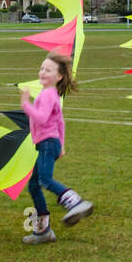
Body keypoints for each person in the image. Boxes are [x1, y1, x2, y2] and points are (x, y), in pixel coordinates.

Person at [20, 52, 93, 245]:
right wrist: (61, 145)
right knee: (34, 185)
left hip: (46, 143)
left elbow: (42, 118)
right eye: (42, 68)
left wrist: (26, 104)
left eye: (48, 70)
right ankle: (43, 231)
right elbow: (60, 122)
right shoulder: (53, 95)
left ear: (58, 76)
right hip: (50, 143)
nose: (42, 72)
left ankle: (76, 203)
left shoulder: (46, 95)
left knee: (44, 179)